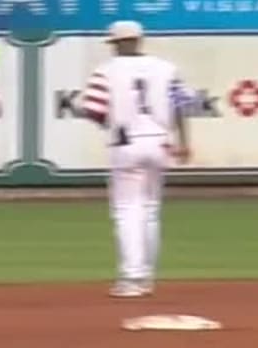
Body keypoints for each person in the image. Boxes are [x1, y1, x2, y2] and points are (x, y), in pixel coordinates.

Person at [78, 20, 192, 297]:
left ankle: (131, 278)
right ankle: (147, 277)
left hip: (126, 143)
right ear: (139, 40)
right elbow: (182, 105)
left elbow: (92, 109)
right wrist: (185, 142)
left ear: (116, 43)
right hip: (160, 142)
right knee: (150, 210)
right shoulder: (167, 68)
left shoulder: (105, 71)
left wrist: (111, 122)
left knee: (127, 211)